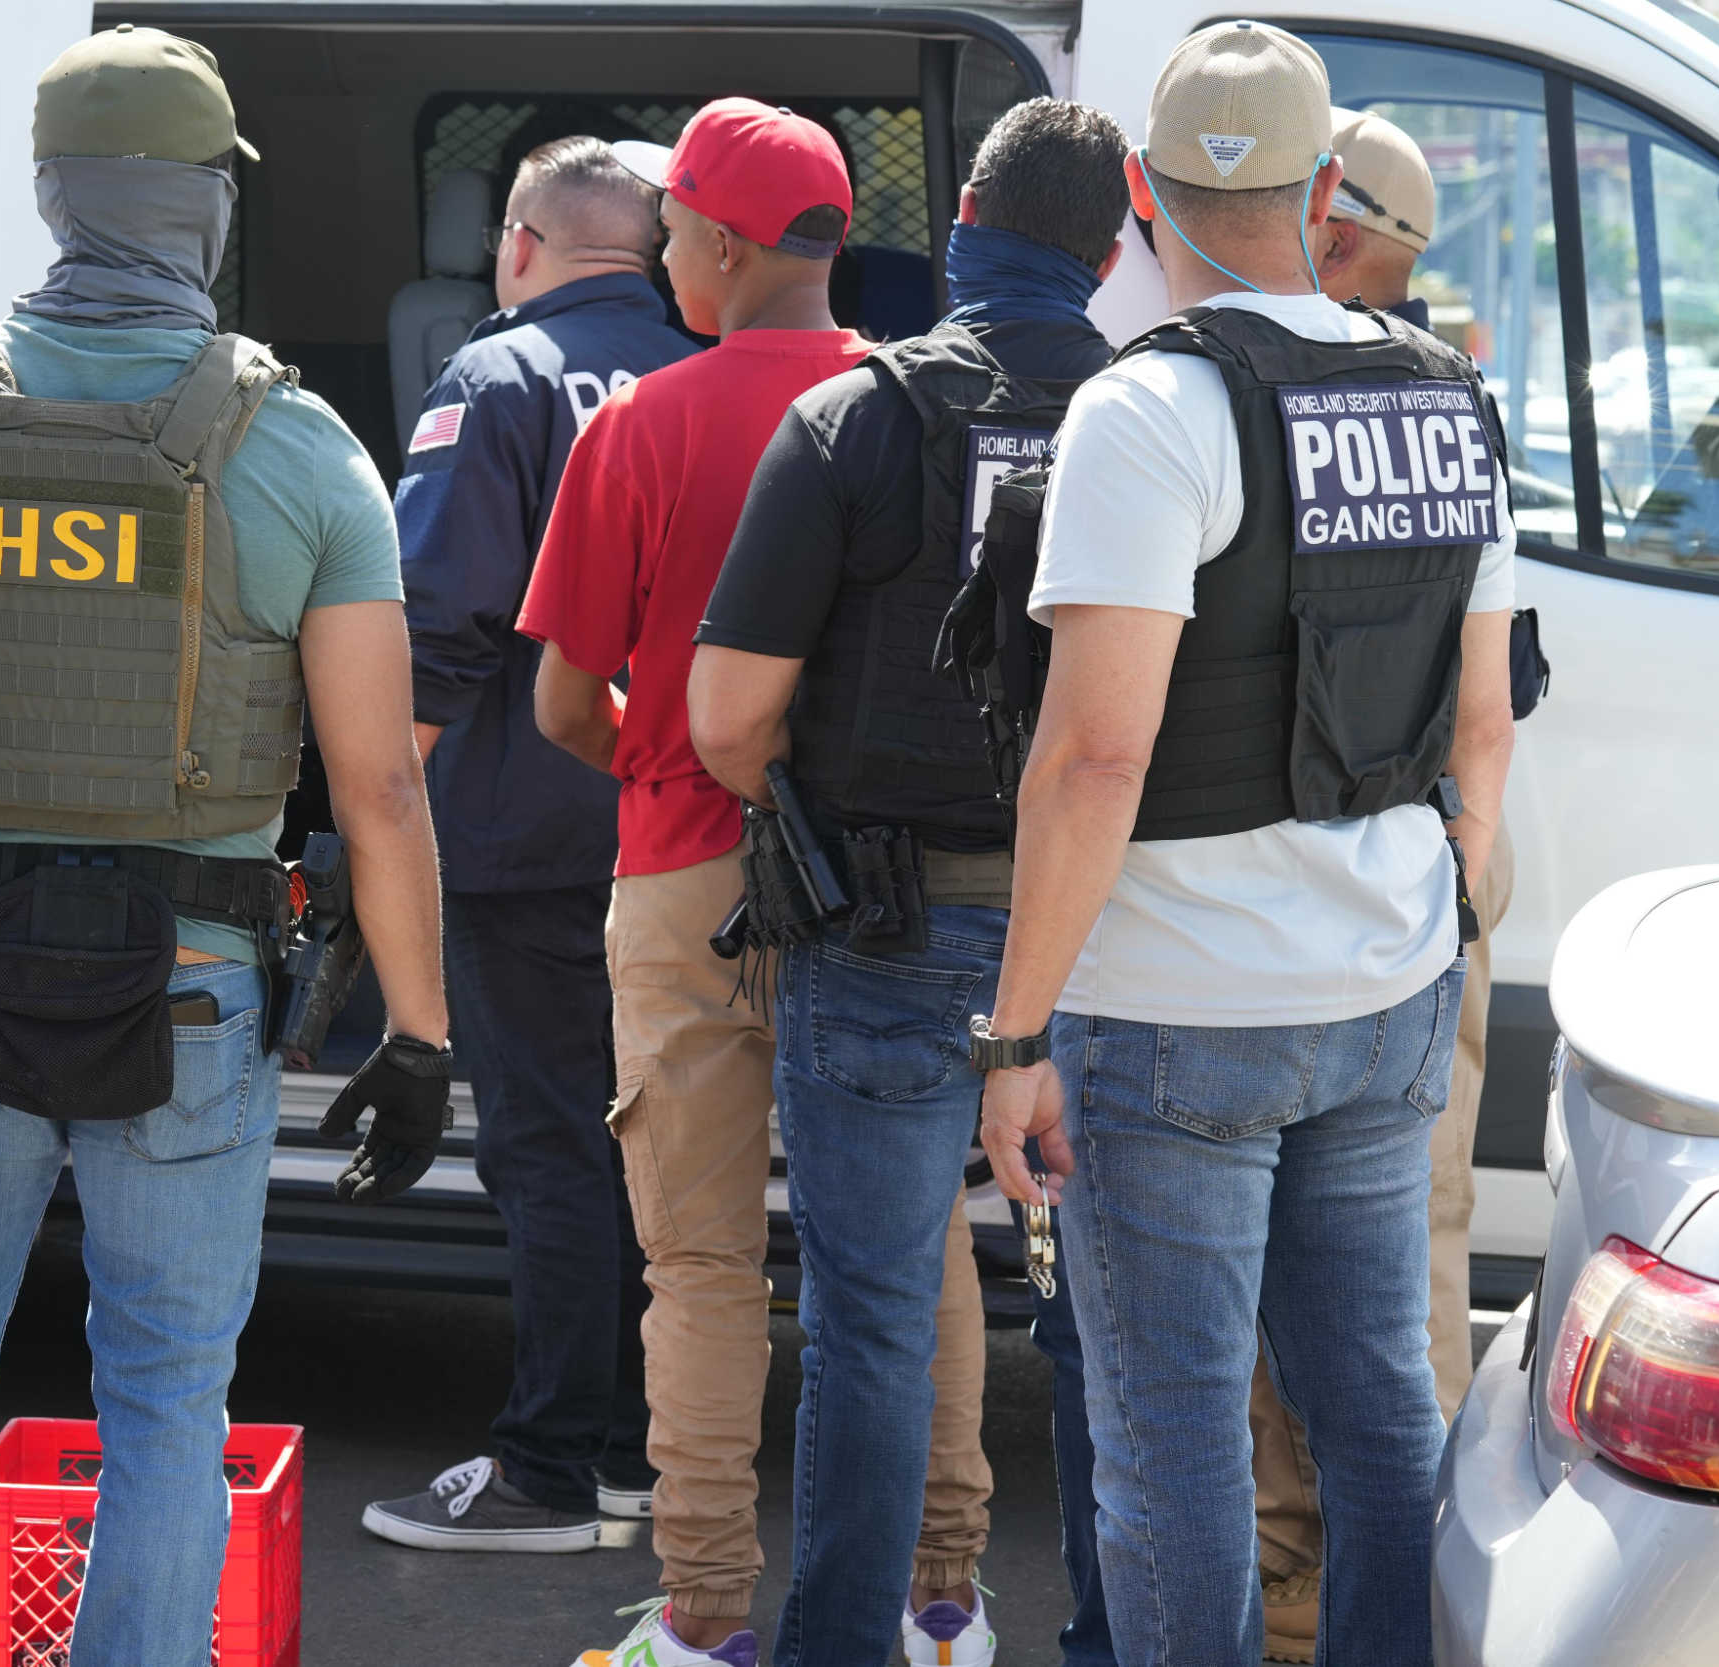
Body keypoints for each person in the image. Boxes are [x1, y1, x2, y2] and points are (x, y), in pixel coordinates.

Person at [0, 28, 452, 1665]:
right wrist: (420, 1038)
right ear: (208, 206)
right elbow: (379, 788)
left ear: (54, 197)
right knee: (167, 1398)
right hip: (194, 988)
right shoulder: (300, 450)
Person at [971, 21, 1516, 1667]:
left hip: (1176, 1011)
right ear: (1327, 187)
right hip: (1387, 988)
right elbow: (1484, 730)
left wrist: (1014, 1037)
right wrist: (1435, 917)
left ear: (1142, 198)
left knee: (1174, 1437)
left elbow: (1095, 755)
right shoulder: (1449, 398)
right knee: (1380, 1410)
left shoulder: (1149, 409)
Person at [516, 98, 992, 1667]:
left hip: (686, 875)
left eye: (671, 231)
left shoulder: (639, 426)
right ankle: (942, 1602)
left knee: (703, 1265)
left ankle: (708, 1615)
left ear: (720, 243)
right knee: (912, 1246)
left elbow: (564, 705)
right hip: (888, 891)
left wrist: (668, 760)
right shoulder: (911, 409)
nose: (664, 256)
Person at [686, 96, 1132, 1667]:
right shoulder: (1164, 418)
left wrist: (810, 813)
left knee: (873, 1329)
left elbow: (725, 719)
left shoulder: (858, 420)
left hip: (882, 929)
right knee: (1113, 1328)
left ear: (958, 233)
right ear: (1111, 252)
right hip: (1111, 944)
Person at [359, 135, 693, 1554]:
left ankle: (549, 1469)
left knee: (550, 1148)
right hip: (684, 836)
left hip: (526, 831)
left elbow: (437, 627)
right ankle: (635, 1455)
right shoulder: (708, 371)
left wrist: (373, 830)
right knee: (654, 1150)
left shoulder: (493, 382)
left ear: (519, 245)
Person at [1248, 101, 1522, 1664]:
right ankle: (1391, 1585)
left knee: (1306, 1250)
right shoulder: (1452, 400)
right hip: (1440, 856)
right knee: (1410, 1239)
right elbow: (1492, 692)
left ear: (1334, 228)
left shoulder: (1269, 389)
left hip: (1341, 861)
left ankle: (1306, 1585)